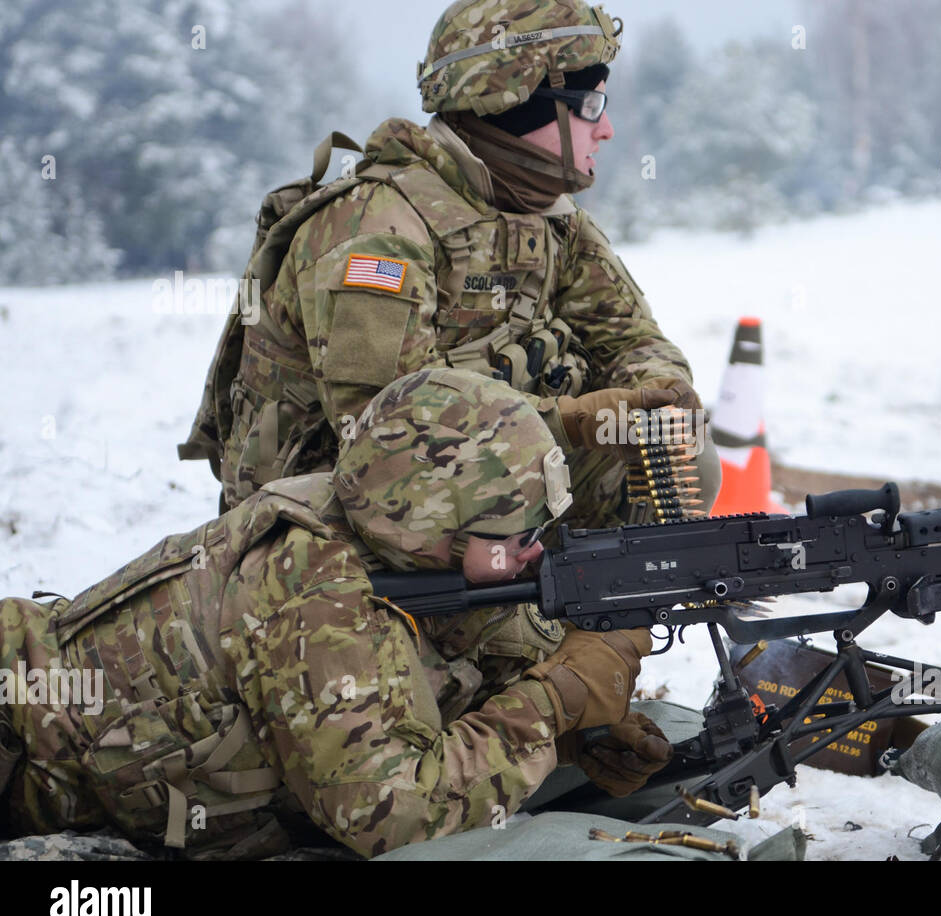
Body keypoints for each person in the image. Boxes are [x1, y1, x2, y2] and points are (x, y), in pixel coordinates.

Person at [0, 369, 672, 860]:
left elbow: (421, 675)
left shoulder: (379, 515)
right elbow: (396, 818)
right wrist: (552, 703)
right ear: (436, 535)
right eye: (515, 533)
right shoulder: (321, 603)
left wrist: (573, 737)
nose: (535, 549)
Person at [178, 0, 721, 530]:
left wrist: (657, 398)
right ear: (518, 101)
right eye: (591, 107)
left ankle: (575, 597)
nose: (607, 131)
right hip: (340, 519)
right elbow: (382, 435)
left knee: (682, 456)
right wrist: (575, 423)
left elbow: (632, 339)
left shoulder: (552, 217)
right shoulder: (378, 225)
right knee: (501, 474)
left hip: (494, 485)